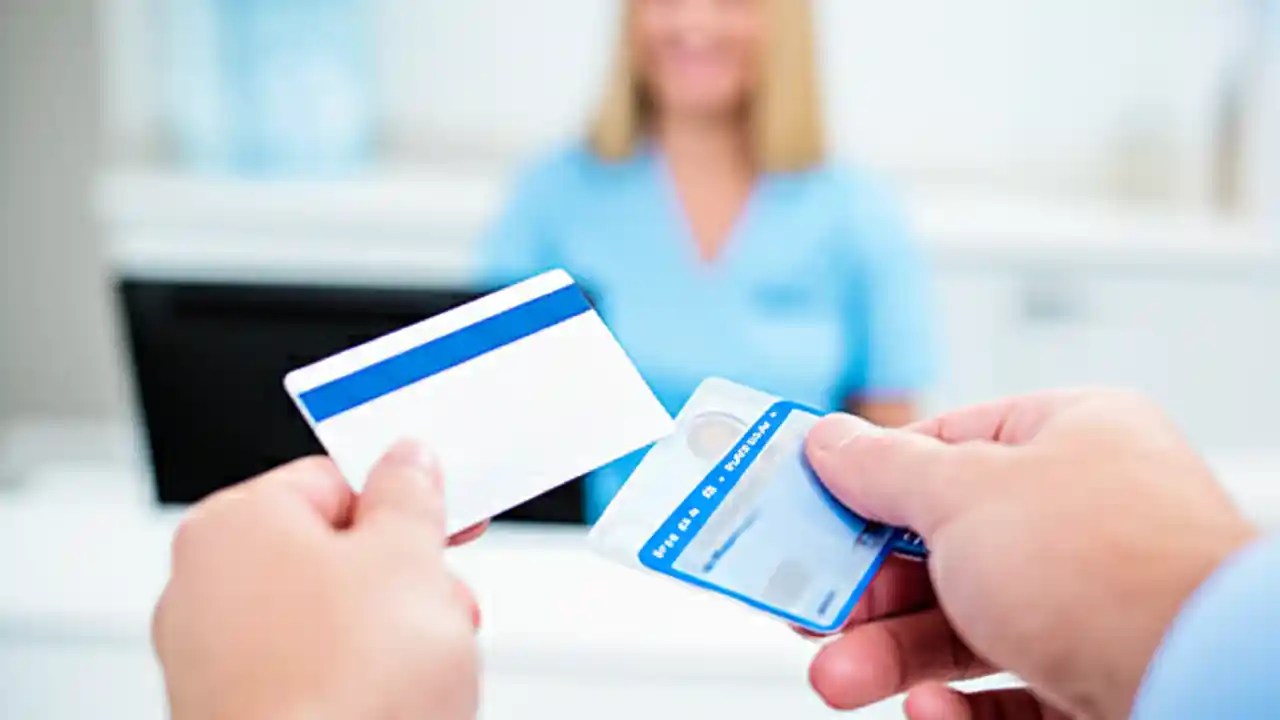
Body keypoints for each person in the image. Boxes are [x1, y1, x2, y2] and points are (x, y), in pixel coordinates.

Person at [154, 389, 1280, 719]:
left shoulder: (843, 211)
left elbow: (888, 409)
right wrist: (1174, 617)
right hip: (576, 574)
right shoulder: (561, 187)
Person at [477, 0, 935, 519]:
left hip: (785, 566)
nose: (692, 23)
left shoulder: (855, 210)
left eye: (731, 4)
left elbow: (892, 442)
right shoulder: (552, 195)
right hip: (580, 554)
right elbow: (496, 419)